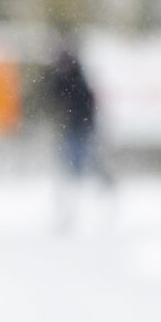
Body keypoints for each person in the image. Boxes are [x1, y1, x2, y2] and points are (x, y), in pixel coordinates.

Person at [42, 29, 113, 228]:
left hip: (79, 127)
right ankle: (76, 204)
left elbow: (81, 102)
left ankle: (95, 197)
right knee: (75, 167)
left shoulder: (74, 75)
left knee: (81, 165)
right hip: (73, 128)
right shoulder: (65, 76)